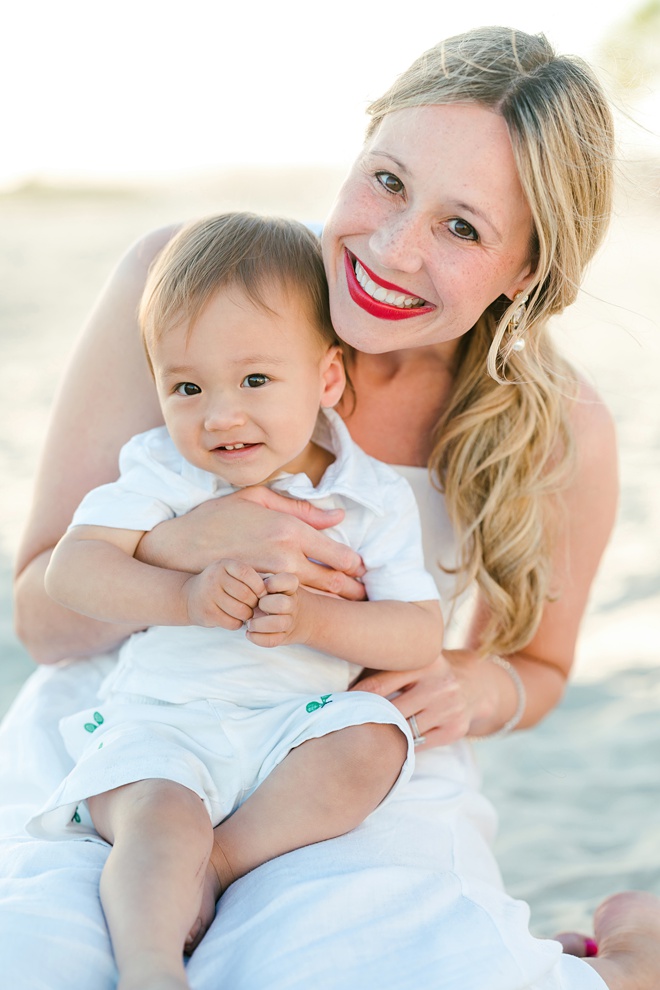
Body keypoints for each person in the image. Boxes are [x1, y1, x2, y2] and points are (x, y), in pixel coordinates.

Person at [3, 24, 660, 990]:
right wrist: (186, 548)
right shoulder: (184, 291)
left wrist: (476, 688)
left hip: (338, 743)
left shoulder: (557, 426)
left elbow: (540, 665)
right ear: (360, 145)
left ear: (525, 271)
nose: (392, 251)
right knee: (48, 961)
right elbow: (43, 621)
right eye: (388, 181)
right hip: (141, 711)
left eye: (463, 228)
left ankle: (627, 960)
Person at [26, 211, 442, 989]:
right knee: (157, 817)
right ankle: (151, 965)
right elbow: (72, 571)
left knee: (374, 743)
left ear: (326, 377)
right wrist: (183, 594)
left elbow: (419, 634)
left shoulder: (367, 494)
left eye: (254, 380)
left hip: (297, 725)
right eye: (186, 386)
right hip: (169, 716)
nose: (219, 414)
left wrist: (317, 620)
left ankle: (223, 860)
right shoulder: (163, 470)